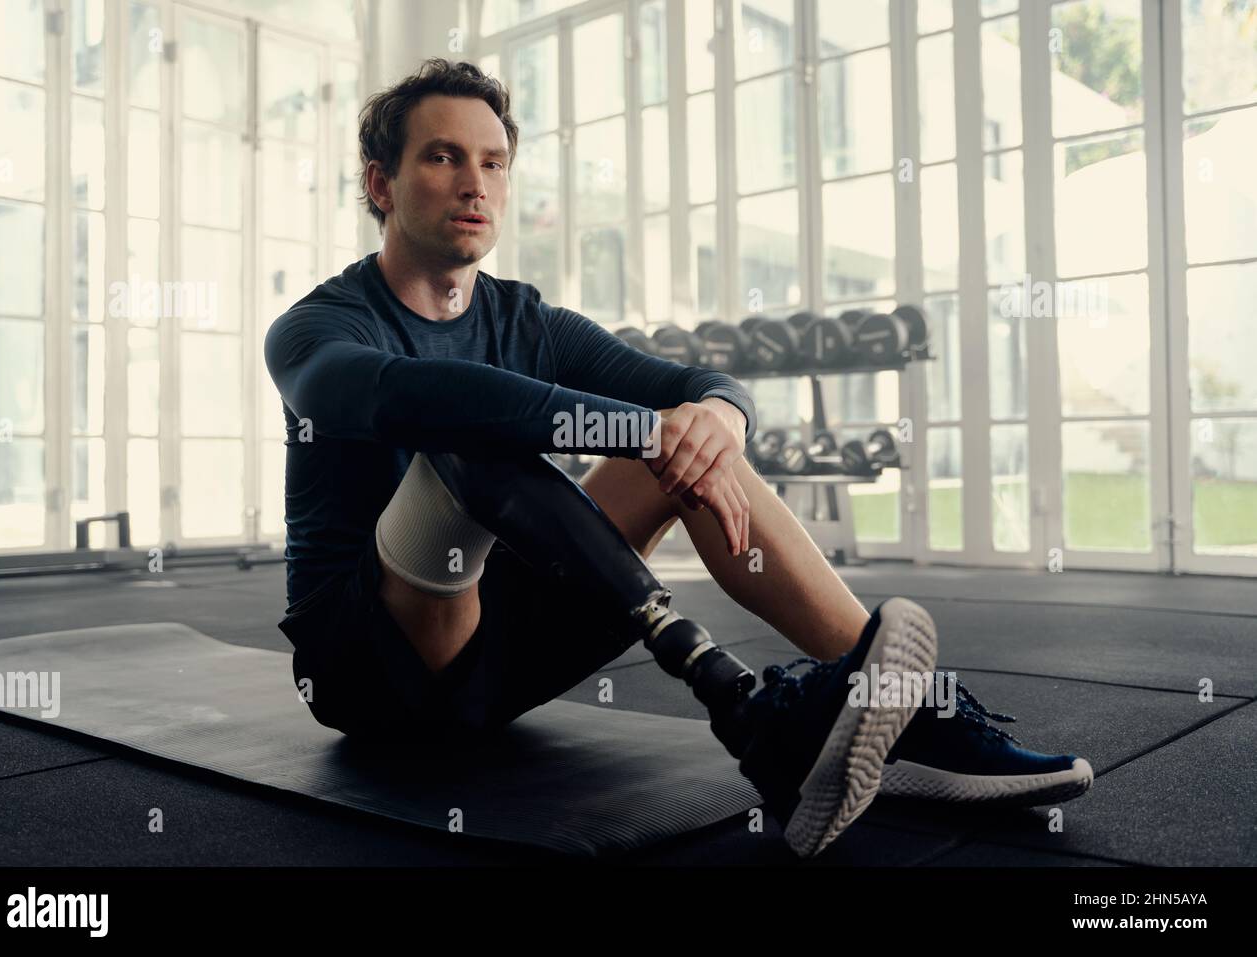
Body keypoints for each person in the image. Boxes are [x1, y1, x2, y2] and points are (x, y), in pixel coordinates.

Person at [263, 58, 1091, 859]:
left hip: (502, 661)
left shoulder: (529, 320)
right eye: (442, 157)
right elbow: (393, 396)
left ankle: (902, 708)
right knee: (476, 431)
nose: (475, 182)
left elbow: (705, 383)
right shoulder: (317, 327)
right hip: (374, 672)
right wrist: (640, 430)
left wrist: (715, 420)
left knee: (694, 437)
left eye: (493, 162)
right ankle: (743, 704)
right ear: (381, 184)